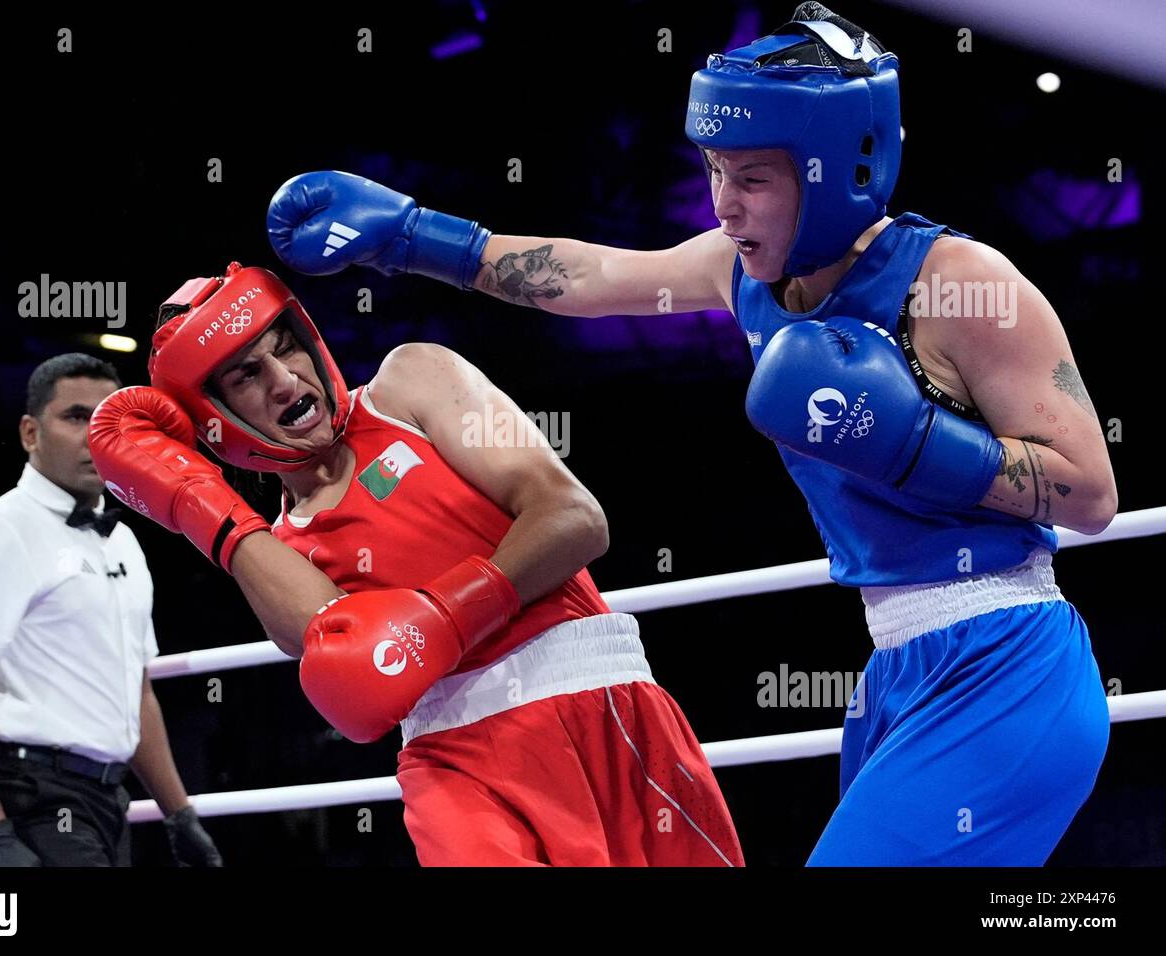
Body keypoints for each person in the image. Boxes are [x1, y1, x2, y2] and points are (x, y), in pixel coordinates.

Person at [263, 3, 1117, 865]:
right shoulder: (736, 271)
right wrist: (416, 238)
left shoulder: (958, 282)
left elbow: (1089, 492)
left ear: (832, 172)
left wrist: (907, 437)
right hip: (895, 667)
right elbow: (586, 277)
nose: (725, 204)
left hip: (1009, 657)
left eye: (753, 179)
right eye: (713, 171)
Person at [88, 262, 743, 866]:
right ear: (216, 417)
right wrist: (202, 506)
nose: (284, 379)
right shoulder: (276, 549)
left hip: (593, 702)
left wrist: (448, 616)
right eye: (245, 375)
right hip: (452, 763)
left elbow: (574, 520)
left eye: (283, 346)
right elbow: (346, 673)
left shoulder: (409, 385)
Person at [0, 353, 222, 867]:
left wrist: (179, 813)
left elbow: (136, 691)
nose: (95, 434)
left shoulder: (123, 541)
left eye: (109, 418)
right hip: (33, 796)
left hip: (108, 801)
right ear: (29, 433)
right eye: (75, 416)